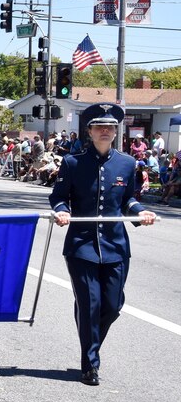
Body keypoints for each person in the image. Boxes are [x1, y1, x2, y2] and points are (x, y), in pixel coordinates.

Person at [50, 103, 156, 386]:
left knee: (111, 305)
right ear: (90, 131)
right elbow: (58, 197)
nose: (105, 131)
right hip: (81, 246)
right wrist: (62, 211)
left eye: (110, 127)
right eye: (99, 126)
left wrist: (140, 213)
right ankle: (90, 363)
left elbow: (128, 201)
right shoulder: (73, 163)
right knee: (90, 305)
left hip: (115, 246)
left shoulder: (127, 163)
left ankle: (90, 339)